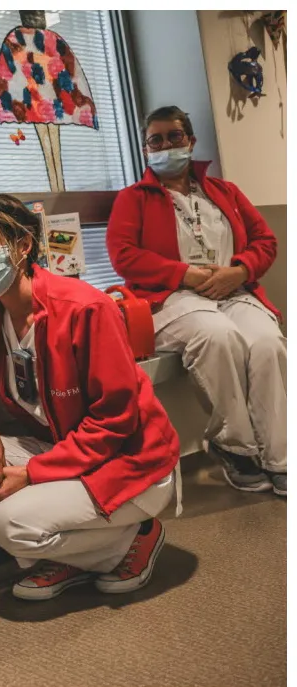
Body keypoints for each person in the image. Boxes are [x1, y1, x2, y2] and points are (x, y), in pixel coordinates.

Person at [0, 194, 182, 601]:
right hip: (69, 452)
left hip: (128, 461)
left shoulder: (85, 308)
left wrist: (32, 474)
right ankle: (79, 553)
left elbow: (114, 422)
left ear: (23, 246)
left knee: (8, 524)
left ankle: (135, 537)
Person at [107, 106, 285, 497]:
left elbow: (265, 241)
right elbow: (124, 255)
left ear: (191, 140)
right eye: (156, 140)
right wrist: (183, 273)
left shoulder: (225, 192)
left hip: (231, 290)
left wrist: (239, 271)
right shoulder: (132, 199)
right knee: (217, 336)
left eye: (174, 136)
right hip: (172, 298)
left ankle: (280, 456)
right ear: (145, 149)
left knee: (268, 343)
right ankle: (235, 446)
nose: (166, 145)